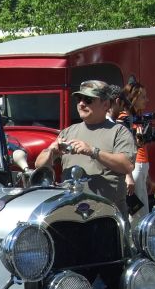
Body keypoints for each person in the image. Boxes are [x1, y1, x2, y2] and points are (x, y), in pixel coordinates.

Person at [34, 81, 135, 216]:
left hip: (107, 216)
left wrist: (93, 152)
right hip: (71, 215)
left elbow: (127, 165)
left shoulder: (118, 131)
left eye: (88, 100)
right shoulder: (68, 132)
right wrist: (51, 152)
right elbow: (39, 166)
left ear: (105, 104)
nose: (82, 104)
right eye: (79, 99)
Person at [112, 78, 153, 217]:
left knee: (142, 211)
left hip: (141, 166)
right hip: (135, 166)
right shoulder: (124, 119)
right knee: (136, 214)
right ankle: (134, 238)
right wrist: (129, 175)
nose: (146, 100)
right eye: (143, 97)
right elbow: (124, 149)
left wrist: (148, 176)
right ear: (133, 98)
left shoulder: (135, 118)